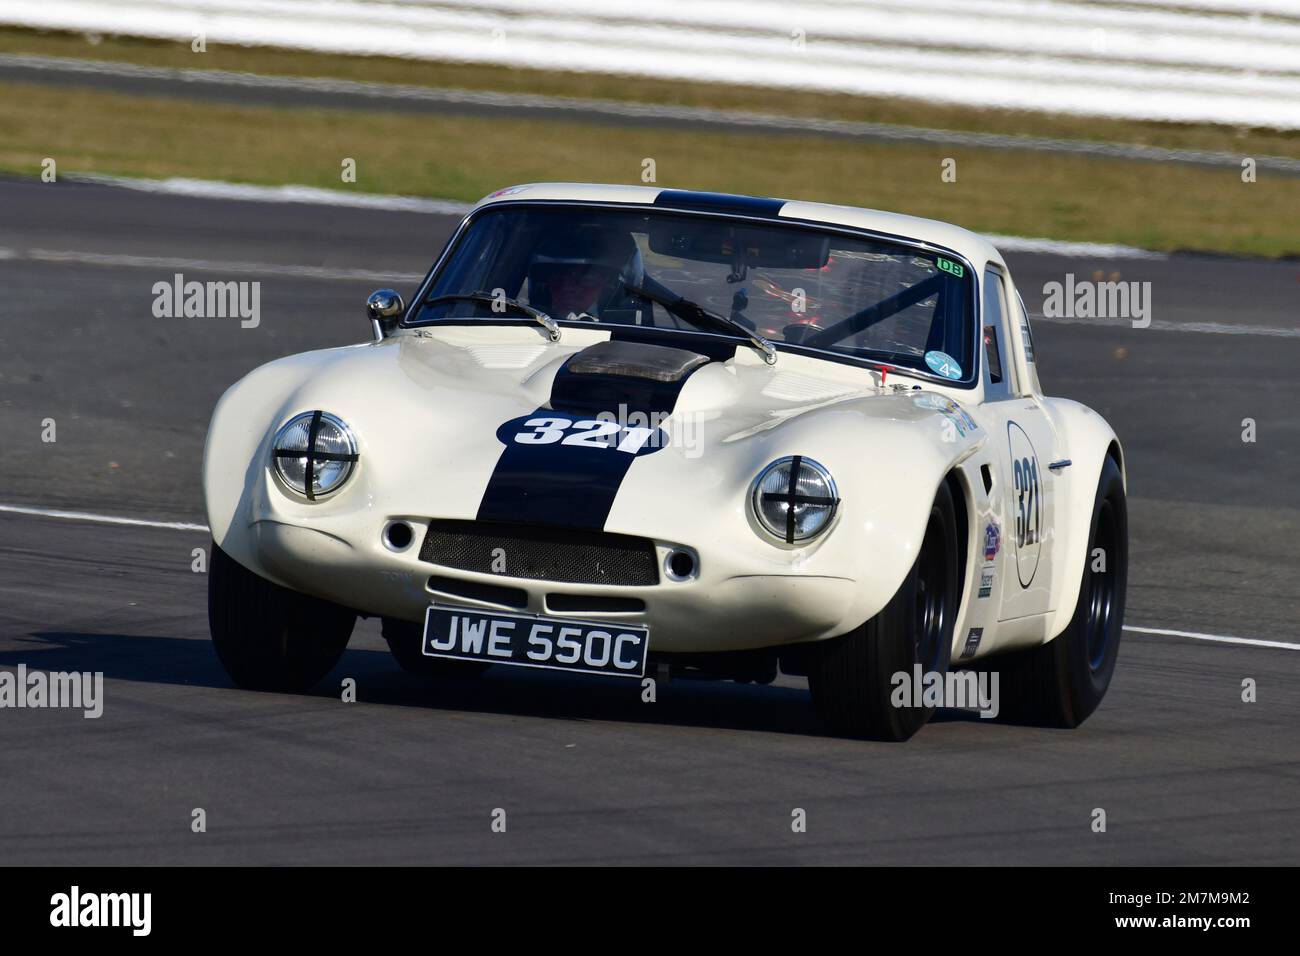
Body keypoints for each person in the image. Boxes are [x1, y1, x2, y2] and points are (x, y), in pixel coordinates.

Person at [526, 224, 646, 320]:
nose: (569, 288)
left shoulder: (628, 337)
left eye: (587, 280)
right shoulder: (520, 322)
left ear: (611, 287)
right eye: (559, 278)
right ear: (545, 284)